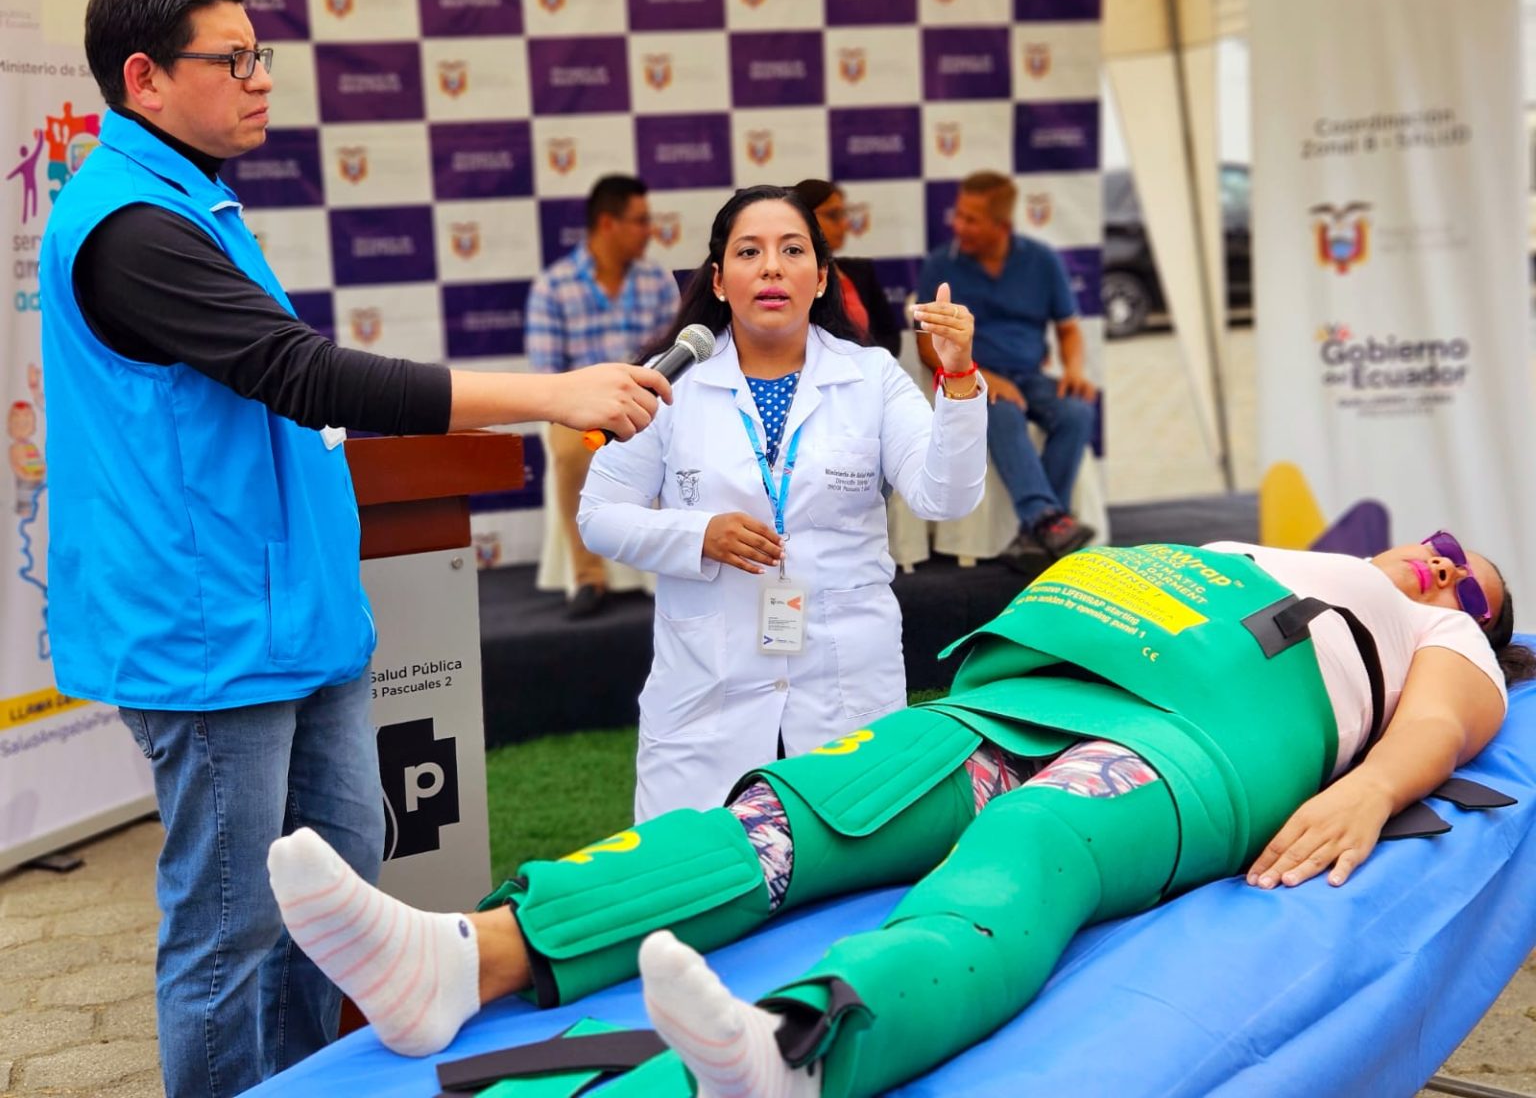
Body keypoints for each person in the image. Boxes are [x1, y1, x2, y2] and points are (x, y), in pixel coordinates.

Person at [40, 0, 669, 1098]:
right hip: (212, 634)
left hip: (296, 616)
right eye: (228, 60)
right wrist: (552, 393)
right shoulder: (129, 226)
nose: (258, 80)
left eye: (258, 53)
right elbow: (303, 375)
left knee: (328, 914)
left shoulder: (187, 197)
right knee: (228, 936)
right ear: (142, 79)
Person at [266, 534, 1536, 1097]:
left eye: (1464, 571)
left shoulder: (1431, 633)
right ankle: (465, 957)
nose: (1435, 561)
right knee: (803, 807)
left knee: (1030, 849)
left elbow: (1446, 722)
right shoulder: (1270, 554)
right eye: (1435, 548)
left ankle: (800, 1049)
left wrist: (1370, 789)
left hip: (1186, 747)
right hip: (1029, 688)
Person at [576, 184, 988, 820]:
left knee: (850, 886)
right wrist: (695, 536)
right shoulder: (669, 378)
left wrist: (957, 377)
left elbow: (946, 497)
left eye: (792, 250)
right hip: (707, 691)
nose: (771, 267)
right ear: (718, 282)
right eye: (749, 252)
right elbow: (598, 516)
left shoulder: (871, 375)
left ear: (822, 278)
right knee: (694, 883)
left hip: (845, 685)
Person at [917, 170, 1098, 569]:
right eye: (959, 215)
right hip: (973, 378)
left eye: (970, 219)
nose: (958, 226)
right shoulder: (939, 267)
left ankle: (1039, 529)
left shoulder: (1042, 260)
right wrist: (981, 376)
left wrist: (1074, 369)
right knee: (999, 410)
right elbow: (927, 347)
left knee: (1078, 410)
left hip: (1031, 377)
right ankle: (1047, 520)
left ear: (1002, 225)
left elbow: (1068, 329)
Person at [526, 175, 681, 619]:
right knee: (572, 454)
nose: (650, 230)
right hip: (580, 413)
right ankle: (589, 577)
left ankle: (683, 563)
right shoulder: (553, 287)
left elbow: (673, 356)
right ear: (607, 224)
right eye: (640, 221)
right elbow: (546, 375)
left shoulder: (656, 280)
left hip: (649, 404)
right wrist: (584, 402)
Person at [789, 178, 901, 357]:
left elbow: (890, 337)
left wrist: (869, 367)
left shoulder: (862, 271)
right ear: (803, 217)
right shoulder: (790, 279)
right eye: (833, 215)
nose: (845, 224)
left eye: (843, 214)